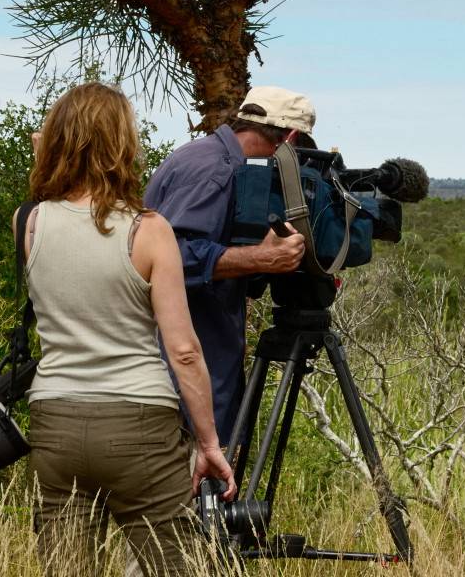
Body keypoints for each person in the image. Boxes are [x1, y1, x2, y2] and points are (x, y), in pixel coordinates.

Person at [20, 82, 237, 576]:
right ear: (123, 144)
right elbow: (183, 351)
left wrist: (44, 157)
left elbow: (52, 208)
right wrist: (208, 445)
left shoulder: (28, 222)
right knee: (179, 566)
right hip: (139, 423)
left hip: (55, 421)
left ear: (53, 141)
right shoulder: (148, 230)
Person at [143, 86, 314, 444]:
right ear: (291, 138)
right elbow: (169, 256)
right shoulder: (214, 170)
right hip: (184, 367)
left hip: (188, 354)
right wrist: (261, 258)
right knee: (190, 484)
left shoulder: (203, 156)